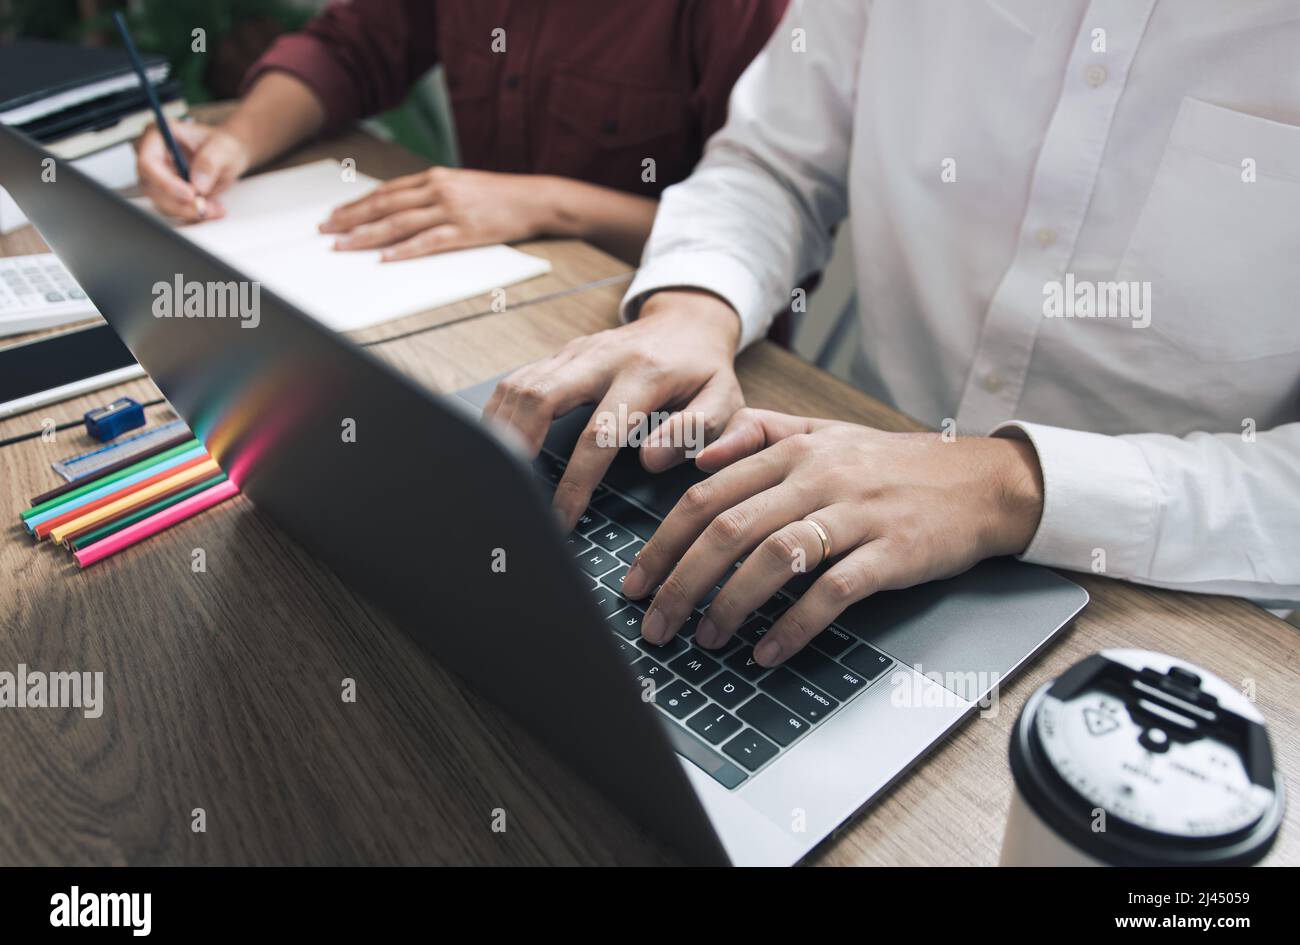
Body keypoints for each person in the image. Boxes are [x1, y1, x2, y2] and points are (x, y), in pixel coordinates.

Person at [484, 0, 1300, 668]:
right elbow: (773, 166)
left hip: (1167, 605)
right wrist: (694, 304)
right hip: (831, 489)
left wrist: (1001, 484)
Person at [135, 0, 786, 264]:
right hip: (476, 288)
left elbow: (767, 227)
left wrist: (545, 205)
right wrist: (236, 140)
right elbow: (353, 49)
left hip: (660, 333)